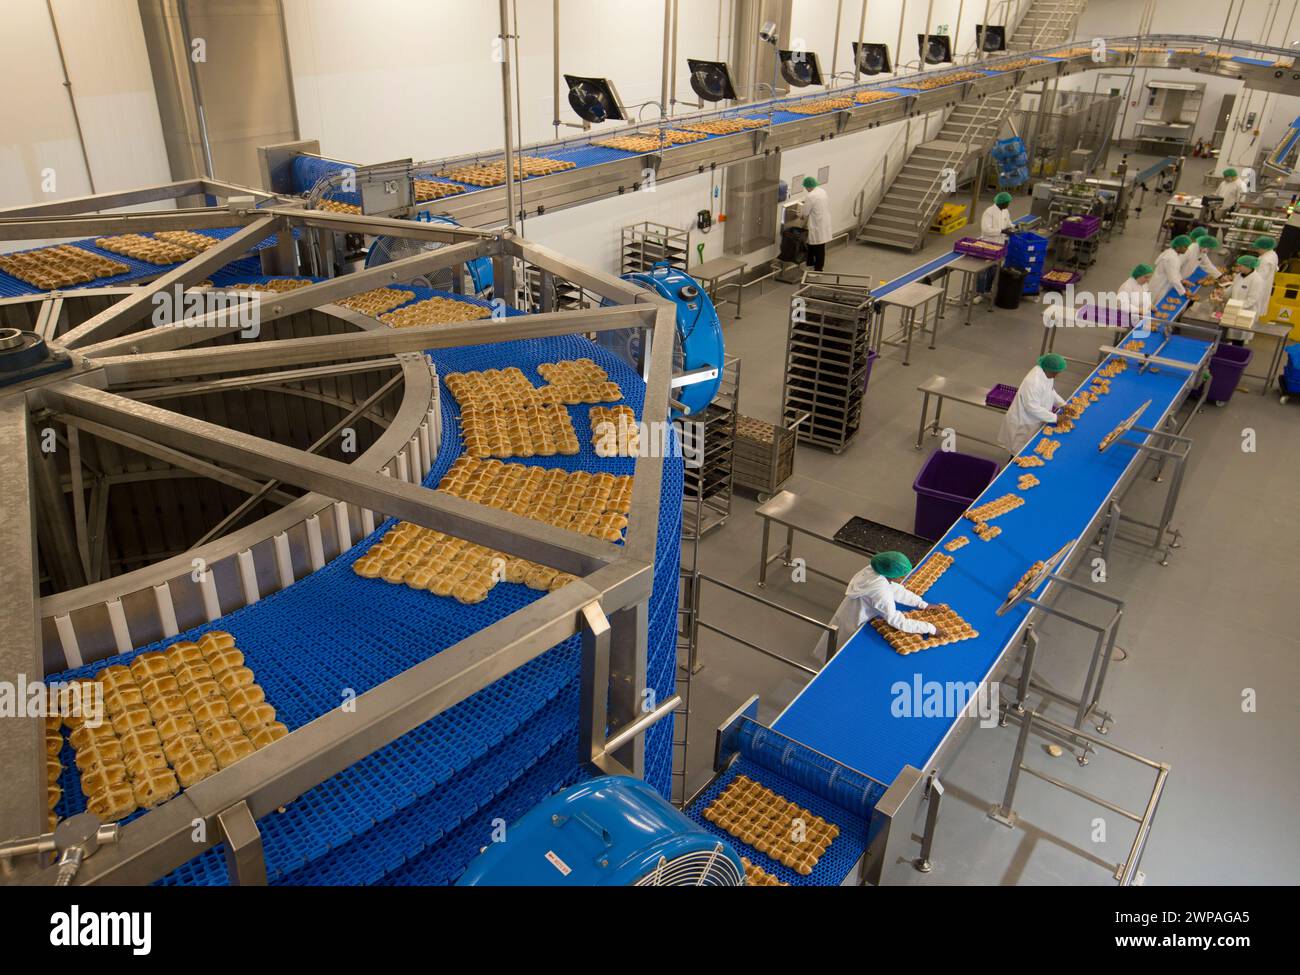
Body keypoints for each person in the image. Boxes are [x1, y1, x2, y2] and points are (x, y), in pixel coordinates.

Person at [816, 551, 937, 661]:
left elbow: (896, 589)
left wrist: (923, 604)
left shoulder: (876, 570)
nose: (902, 578)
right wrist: (931, 628)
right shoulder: (880, 591)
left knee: (833, 640)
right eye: (901, 576)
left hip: (849, 611)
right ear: (893, 576)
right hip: (855, 622)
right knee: (838, 650)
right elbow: (896, 620)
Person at [998, 353, 1067, 455]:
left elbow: (1050, 391)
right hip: (1023, 423)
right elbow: (1032, 407)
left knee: (1027, 449)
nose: (1057, 375)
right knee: (1018, 454)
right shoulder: (1033, 382)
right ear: (1049, 369)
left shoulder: (1047, 374)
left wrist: (1063, 404)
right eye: (1056, 372)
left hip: (1034, 420)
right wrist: (1056, 418)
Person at [975, 191, 1015, 299]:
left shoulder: (1005, 211)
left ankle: (986, 290)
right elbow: (986, 230)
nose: (1008, 205)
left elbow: (1008, 223)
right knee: (983, 270)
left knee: (994, 269)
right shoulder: (989, 212)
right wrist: (1002, 231)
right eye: (1007, 203)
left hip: (1000, 245)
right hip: (988, 244)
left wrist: (1014, 227)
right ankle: (979, 292)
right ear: (1001, 202)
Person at [1226, 254, 1266, 343]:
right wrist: (1224, 294)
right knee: (1232, 336)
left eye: (1240, 265)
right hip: (1234, 309)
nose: (1238, 267)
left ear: (1248, 266)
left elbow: (1252, 299)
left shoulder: (1257, 280)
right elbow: (1233, 288)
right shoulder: (1239, 275)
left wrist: (1236, 307)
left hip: (1247, 312)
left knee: (1240, 337)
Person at [1149, 235, 1193, 301]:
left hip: (1160, 283)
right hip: (1160, 286)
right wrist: (1183, 291)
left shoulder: (1170, 252)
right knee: (1153, 303)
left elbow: (1175, 272)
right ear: (1178, 246)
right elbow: (1173, 278)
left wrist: (1182, 280)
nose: (1187, 249)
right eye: (1185, 247)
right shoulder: (1172, 258)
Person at [802, 176, 831, 272]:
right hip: (823, 222)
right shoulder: (822, 191)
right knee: (814, 245)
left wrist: (801, 218)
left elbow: (805, 213)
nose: (806, 189)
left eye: (805, 187)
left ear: (808, 187)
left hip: (816, 225)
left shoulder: (810, 196)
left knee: (818, 248)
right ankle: (810, 264)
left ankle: (818, 269)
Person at [1254, 235, 1279, 309]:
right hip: (1264, 286)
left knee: (1253, 310)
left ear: (1264, 248)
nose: (1257, 250)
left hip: (1259, 288)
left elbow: (1260, 277)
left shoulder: (1266, 260)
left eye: (1258, 248)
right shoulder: (1272, 254)